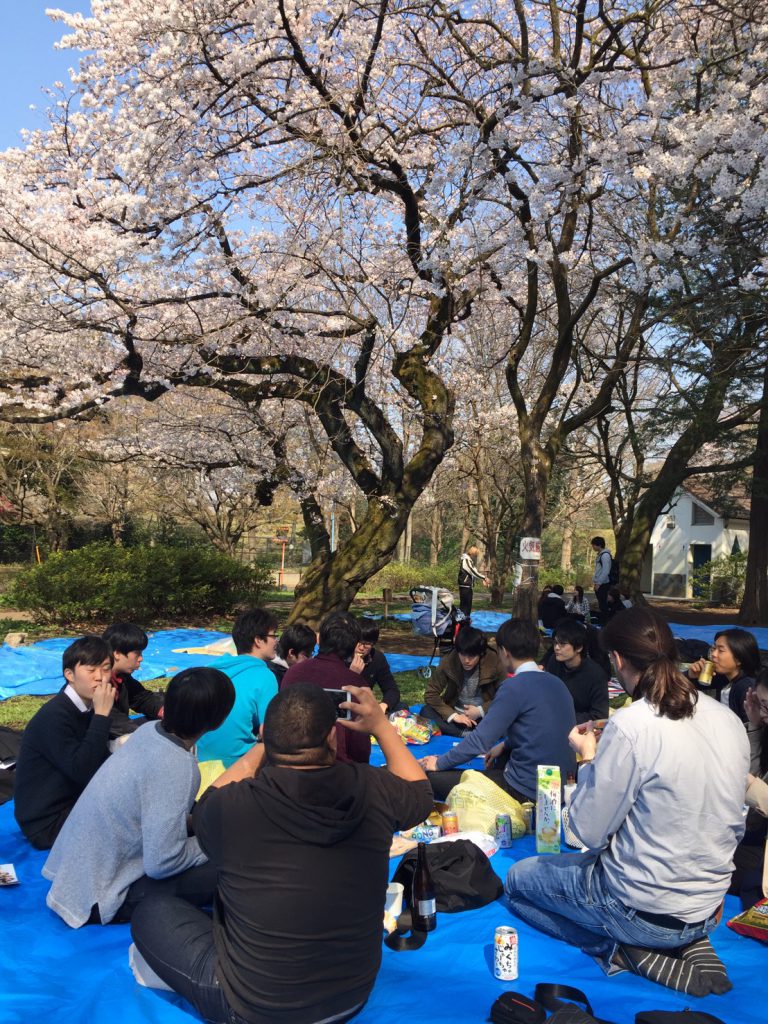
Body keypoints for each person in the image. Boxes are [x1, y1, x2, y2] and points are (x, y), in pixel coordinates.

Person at [129, 684, 433, 1024]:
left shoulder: (232, 807)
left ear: (264, 737)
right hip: (353, 996)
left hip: (252, 1009)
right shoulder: (374, 788)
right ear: (332, 739)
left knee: (152, 910)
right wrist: (380, 725)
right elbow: (420, 792)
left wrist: (261, 748)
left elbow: (206, 806)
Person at [505, 608, 749, 992]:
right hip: (709, 905)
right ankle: (687, 938)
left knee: (517, 883)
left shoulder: (633, 725)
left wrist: (588, 758)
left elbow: (586, 830)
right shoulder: (727, 719)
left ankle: (620, 950)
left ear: (617, 659)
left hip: (640, 907)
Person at [42, 667, 235, 927]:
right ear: (218, 721)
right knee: (234, 863)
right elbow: (162, 862)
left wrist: (192, 823)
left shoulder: (150, 731)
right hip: (102, 896)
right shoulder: (177, 764)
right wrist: (215, 841)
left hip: (73, 878)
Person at [421, 618, 576, 802]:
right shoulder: (557, 683)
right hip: (563, 787)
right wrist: (505, 744)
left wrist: (438, 763)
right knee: (498, 759)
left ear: (504, 652)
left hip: (526, 790)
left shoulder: (514, 687)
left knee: (429, 778)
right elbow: (539, 729)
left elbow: (479, 742)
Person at [13, 636, 115, 850]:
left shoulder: (85, 707)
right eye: (91, 670)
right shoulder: (55, 716)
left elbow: (99, 758)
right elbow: (82, 770)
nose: (100, 677)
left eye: (105, 669)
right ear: (69, 674)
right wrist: (102, 717)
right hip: (47, 822)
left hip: (75, 801)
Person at [281, 611, 372, 764]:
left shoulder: (293, 673)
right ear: (355, 645)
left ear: (318, 639)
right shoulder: (356, 684)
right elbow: (360, 748)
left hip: (292, 763)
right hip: (339, 769)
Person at [196, 608, 280, 768]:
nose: (276, 641)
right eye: (273, 635)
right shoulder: (264, 676)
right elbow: (268, 731)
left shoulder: (212, 669)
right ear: (258, 640)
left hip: (202, 763)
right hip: (238, 767)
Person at [420, 625, 507, 737]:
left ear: (481, 653)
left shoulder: (495, 661)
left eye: (471, 656)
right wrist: (454, 716)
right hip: (456, 715)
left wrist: (480, 711)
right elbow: (431, 694)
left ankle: (474, 733)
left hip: (484, 716)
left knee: (508, 718)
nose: (466, 661)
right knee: (426, 711)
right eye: (463, 655)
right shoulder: (449, 660)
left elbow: (506, 697)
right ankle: (466, 734)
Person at [729, 673, 768, 908]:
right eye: (761, 704)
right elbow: (752, 771)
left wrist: (750, 785)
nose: (763, 713)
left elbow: (751, 783)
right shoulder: (763, 725)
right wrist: (754, 726)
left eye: (765, 705)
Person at [102, 622, 164, 737]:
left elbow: (142, 698)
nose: (141, 658)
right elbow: (113, 721)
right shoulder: (96, 683)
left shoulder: (121, 676)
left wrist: (163, 710)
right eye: (137, 653)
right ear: (117, 654)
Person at [543, 618, 609, 724]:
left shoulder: (596, 675)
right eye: (555, 643)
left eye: (562, 644)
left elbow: (600, 715)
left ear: (578, 648)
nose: (556, 648)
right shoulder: (554, 663)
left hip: (581, 728)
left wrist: (564, 718)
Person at [686, 627, 761, 715]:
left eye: (720, 650)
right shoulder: (723, 677)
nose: (713, 654)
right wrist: (689, 675)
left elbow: (752, 725)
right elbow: (677, 685)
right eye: (714, 648)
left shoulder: (747, 689)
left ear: (739, 659)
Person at [357, 617, 404, 713]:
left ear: (373, 644)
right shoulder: (341, 655)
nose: (361, 648)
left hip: (366, 707)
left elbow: (392, 689)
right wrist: (353, 674)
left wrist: (384, 705)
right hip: (344, 706)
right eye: (358, 642)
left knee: (401, 707)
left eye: (367, 644)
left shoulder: (377, 658)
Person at [458, 545, 489, 618]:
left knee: (466, 607)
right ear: (472, 553)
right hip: (465, 586)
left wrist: (482, 579)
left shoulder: (469, 561)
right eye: (476, 554)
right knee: (465, 607)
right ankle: (462, 624)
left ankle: (464, 622)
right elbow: (472, 571)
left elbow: (474, 572)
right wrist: (484, 578)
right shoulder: (466, 560)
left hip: (467, 586)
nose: (476, 556)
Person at [591, 536, 612, 620]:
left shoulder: (605, 555)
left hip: (603, 584)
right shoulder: (600, 555)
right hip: (599, 583)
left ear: (598, 545)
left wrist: (599, 583)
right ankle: (603, 620)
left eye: (593, 545)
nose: (592, 547)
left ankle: (605, 621)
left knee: (603, 604)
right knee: (601, 604)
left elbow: (606, 571)